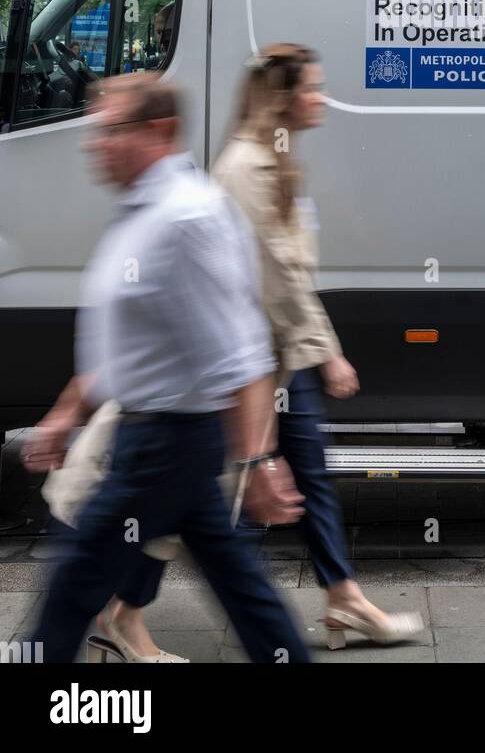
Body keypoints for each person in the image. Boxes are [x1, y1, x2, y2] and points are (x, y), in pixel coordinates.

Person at [112, 46, 424, 651]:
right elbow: (280, 278)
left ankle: (343, 599)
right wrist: (328, 352)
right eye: (313, 88)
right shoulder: (247, 167)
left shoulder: (277, 162)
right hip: (251, 366)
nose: (321, 99)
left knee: (307, 474)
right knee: (195, 496)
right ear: (283, 98)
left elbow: (291, 274)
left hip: (279, 357)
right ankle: (121, 611)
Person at [21, 74, 312, 665]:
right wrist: (65, 413)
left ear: (159, 130)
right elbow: (131, 342)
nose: (94, 143)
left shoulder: (187, 219)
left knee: (73, 586)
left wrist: (259, 459)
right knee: (240, 587)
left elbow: (242, 350)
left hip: (165, 443)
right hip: (159, 439)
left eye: (111, 130)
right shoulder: (140, 210)